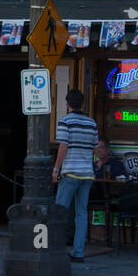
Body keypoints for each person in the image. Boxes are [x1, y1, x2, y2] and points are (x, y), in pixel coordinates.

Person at [53, 88, 99, 262]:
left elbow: (63, 147)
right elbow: (94, 147)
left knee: (59, 211)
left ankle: (56, 248)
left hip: (70, 172)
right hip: (87, 173)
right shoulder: (91, 123)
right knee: (81, 213)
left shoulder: (65, 121)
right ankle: (78, 252)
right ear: (83, 104)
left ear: (67, 105)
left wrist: (56, 169)